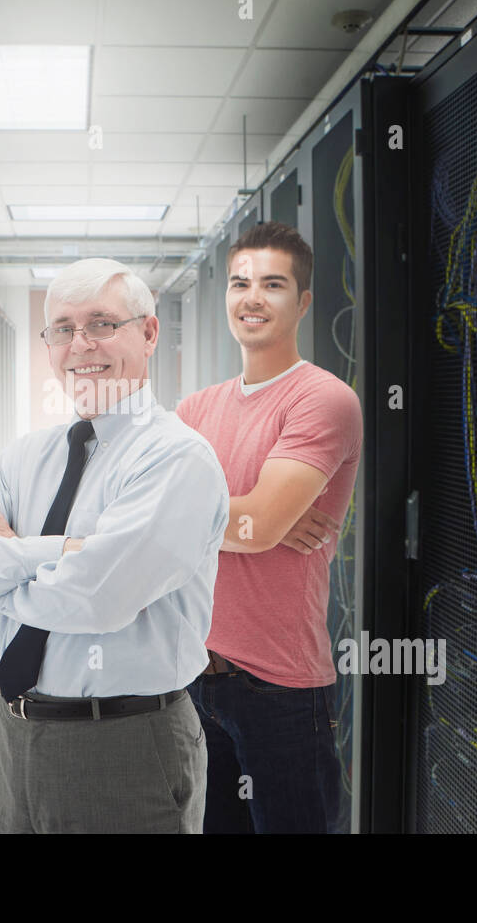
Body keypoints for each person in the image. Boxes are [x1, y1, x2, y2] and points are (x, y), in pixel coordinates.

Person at [0, 258, 229, 833]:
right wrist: (57, 552)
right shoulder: (26, 455)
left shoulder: (177, 459)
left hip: (124, 744)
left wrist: (0, 570)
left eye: (102, 323)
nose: (80, 344)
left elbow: (96, 600)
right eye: (63, 327)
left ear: (149, 333)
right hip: (11, 735)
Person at [176, 221, 363, 833]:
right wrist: (251, 517)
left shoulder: (323, 400)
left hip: (279, 691)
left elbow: (252, 525)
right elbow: (143, 516)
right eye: (240, 283)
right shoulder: (195, 409)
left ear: (303, 302)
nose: (252, 297)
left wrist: (238, 520)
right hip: (195, 677)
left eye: (273, 284)